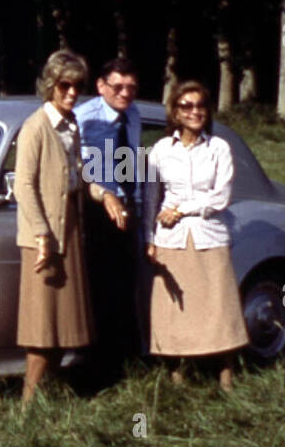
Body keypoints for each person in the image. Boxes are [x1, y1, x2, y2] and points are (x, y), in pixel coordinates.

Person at [15, 50, 127, 405]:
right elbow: (24, 186)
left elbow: (82, 175)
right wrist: (42, 234)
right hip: (44, 237)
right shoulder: (35, 127)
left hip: (70, 231)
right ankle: (28, 404)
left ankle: (58, 392)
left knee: (64, 323)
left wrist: (106, 195)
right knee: (41, 325)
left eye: (78, 86)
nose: (72, 92)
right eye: (65, 85)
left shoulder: (72, 126)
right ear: (50, 84)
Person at [144, 80, 248, 390]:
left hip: (209, 236)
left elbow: (221, 196)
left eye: (200, 105)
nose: (194, 112)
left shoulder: (219, 149)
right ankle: (178, 375)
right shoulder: (161, 150)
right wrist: (149, 240)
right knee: (175, 309)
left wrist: (183, 210)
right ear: (175, 112)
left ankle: (226, 376)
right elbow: (152, 197)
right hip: (170, 239)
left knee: (218, 304)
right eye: (186, 106)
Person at [74, 57, 145, 376]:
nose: (125, 93)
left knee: (126, 282)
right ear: (101, 86)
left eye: (131, 87)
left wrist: (135, 201)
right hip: (96, 207)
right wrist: (106, 194)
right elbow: (81, 168)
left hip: (127, 205)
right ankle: (99, 365)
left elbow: (131, 159)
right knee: (100, 286)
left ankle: (127, 358)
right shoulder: (83, 118)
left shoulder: (134, 114)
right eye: (118, 86)